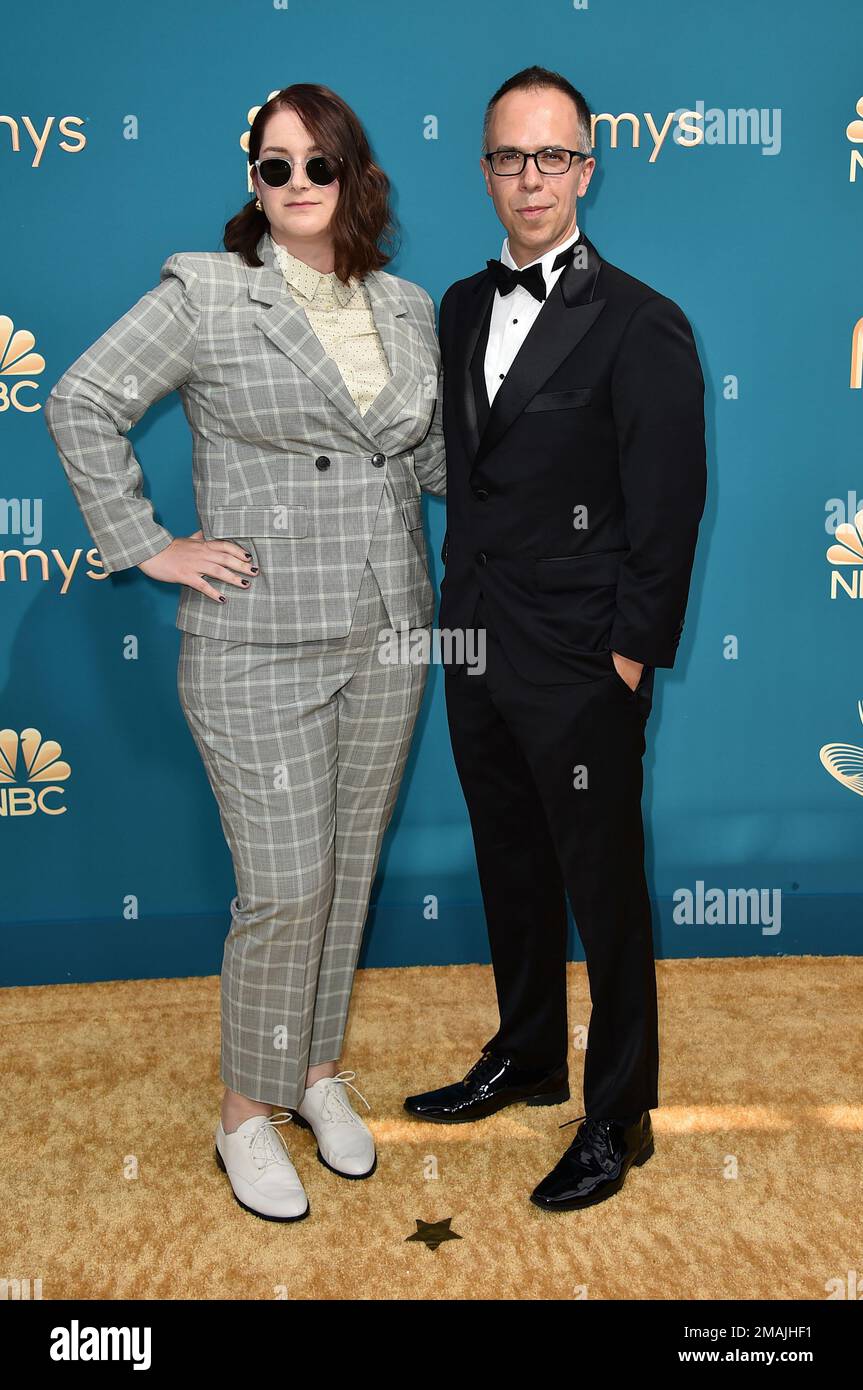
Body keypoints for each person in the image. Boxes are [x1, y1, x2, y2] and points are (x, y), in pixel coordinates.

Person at [44, 83, 445, 1223]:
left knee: (348, 868)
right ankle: (242, 1112)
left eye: (320, 166)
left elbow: (425, 464)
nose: (299, 186)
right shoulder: (210, 291)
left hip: (387, 628)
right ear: (252, 183)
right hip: (255, 640)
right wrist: (147, 544)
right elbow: (81, 400)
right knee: (283, 885)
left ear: (353, 176)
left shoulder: (407, 305)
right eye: (276, 168)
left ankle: (312, 1074)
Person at [403, 66, 706, 1212]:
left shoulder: (640, 321)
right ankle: (527, 1053)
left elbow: (667, 506)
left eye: (550, 157)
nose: (527, 179)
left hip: (582, 657)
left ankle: (617, 1116)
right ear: (482, 168)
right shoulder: (455, 305)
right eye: (504, 157)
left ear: (586, 165)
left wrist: (626, 657)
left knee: (604, 889)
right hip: (474, 642)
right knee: (508, 861)